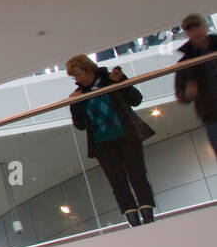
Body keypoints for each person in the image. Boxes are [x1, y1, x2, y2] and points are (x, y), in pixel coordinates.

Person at [67, 54, 156, 227]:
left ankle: (148, 215)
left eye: (78, 74)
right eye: (74, 76)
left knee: (137, 175)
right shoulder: (78, 94)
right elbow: (80, 125)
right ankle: (133, 220)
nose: (77, 79)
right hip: (102, 143)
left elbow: (135, 99)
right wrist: (75, 103)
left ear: (88, 69)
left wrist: (122, 81)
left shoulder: (111, 79)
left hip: (126, 136)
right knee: (118, 183)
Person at [175, 13, 217, 157]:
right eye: (190, 29)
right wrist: (187, 93)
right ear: (186, 32)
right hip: (212, 115)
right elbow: (180, 94)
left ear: (204, 27)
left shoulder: (187, 60)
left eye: (196, 27)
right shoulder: (185, 62)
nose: (194, 32)